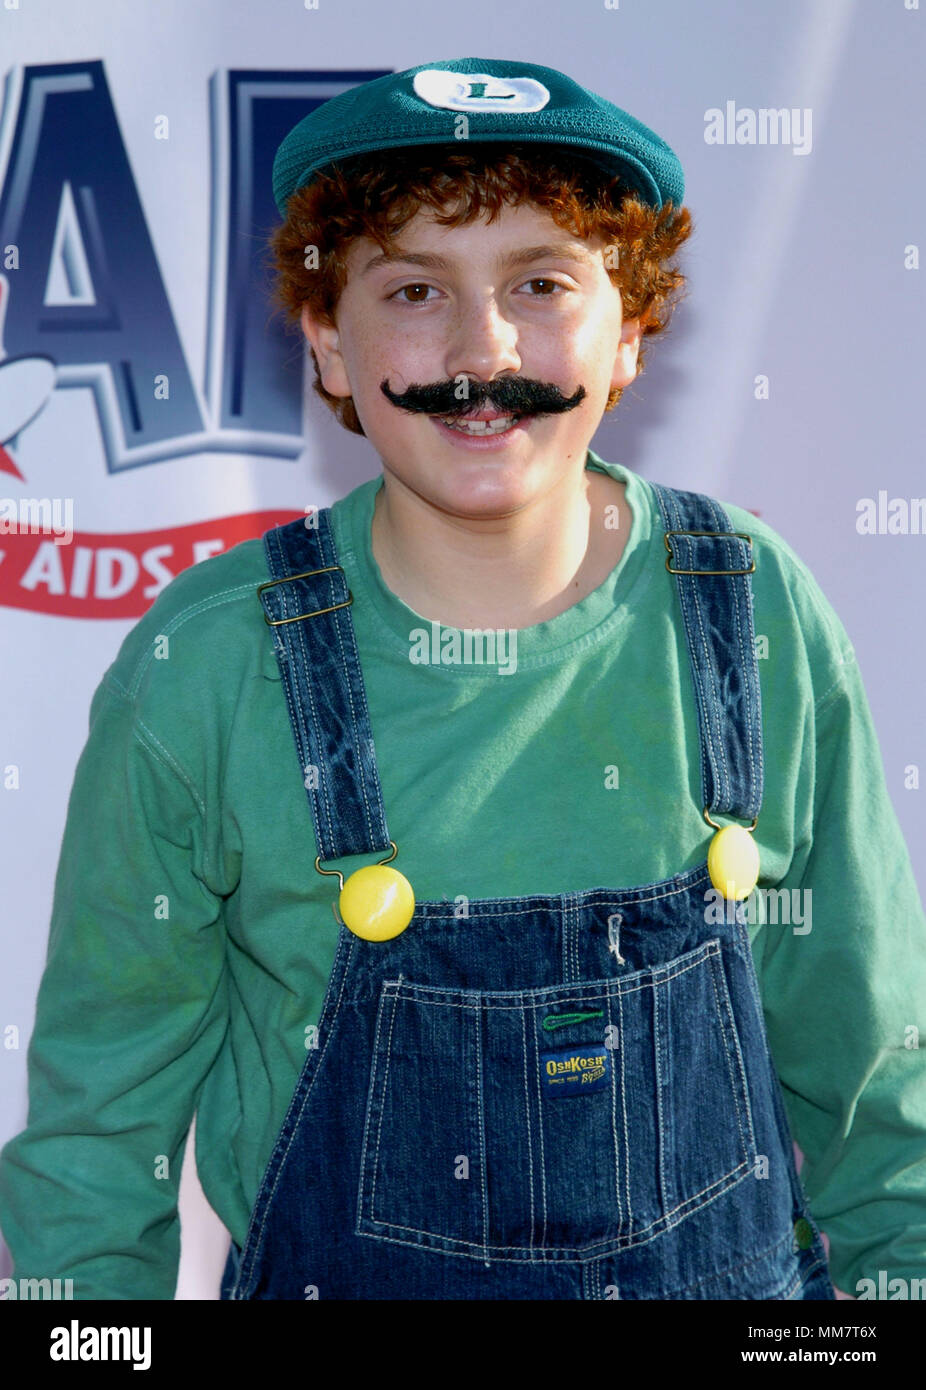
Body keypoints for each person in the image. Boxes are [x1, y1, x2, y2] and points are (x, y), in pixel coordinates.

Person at [1, 56, 924, 1301]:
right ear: (329, 343)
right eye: (414, 289)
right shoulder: (204, 666)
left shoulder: (751, 611)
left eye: (541, 283)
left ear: (631, 332)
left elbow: (879, 1091)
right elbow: (93, 1151)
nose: (481, 349)